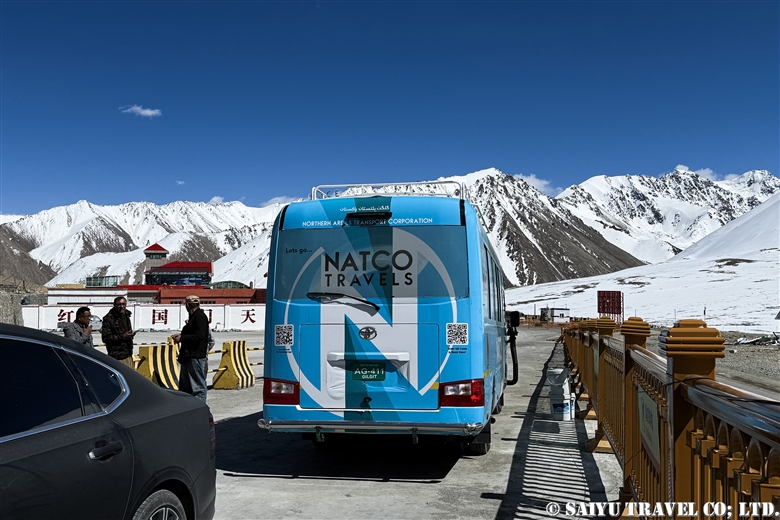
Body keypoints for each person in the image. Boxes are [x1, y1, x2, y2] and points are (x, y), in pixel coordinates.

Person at [171, 295, 209, 403]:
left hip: (195, 356)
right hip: (188, 356)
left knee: (198, 387)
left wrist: (182, 338)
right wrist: (182, 336)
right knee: (185, 387)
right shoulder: (194, 317)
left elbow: (199, 336)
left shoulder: (199, 317)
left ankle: (199, 408)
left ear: (187, 305)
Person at [101, 296, 136, 368]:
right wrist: (123, 336)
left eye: (123, 304)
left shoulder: (127, 315)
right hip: (117, 357)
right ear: (114, 305)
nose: (122, 306)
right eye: (119, 304)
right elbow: (106, 338)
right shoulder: (108, 319)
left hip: (128, 354)